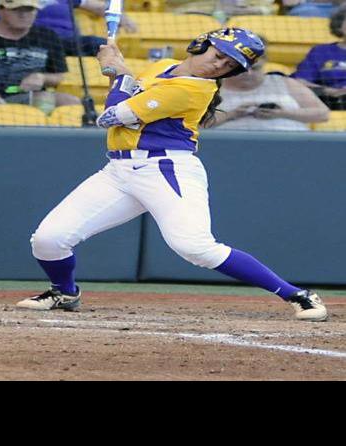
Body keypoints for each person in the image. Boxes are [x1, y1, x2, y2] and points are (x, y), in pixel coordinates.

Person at [16, 28, 328, 321]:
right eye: (218, 55)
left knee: (195, 247)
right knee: (48, 240)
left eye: (229, 65)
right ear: (201, 45)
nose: (218, 66)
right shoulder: (163, 66)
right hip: (119, 170)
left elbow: (112, 117)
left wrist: (114, 71)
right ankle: (64, 293)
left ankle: (298, 295)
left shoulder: (192, 89)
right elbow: (130, 91)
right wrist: (120, 70)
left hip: (165, 169)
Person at [207, 49, 330, 130]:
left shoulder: (285, 82)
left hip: (290, 144)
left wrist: (282, 113)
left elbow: (322, 114)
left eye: (256, 68)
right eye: (242, 70)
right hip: (228, 146)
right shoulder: (211, 87)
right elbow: (197, 125)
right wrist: (232, 114)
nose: (249, 74)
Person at [34, 0, 137, 57]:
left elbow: (95, 6)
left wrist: (119, 16)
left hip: (68, 41)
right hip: (39, 40)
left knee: (104, 46)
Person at [292, 7, 346, 111]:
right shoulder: (321, 51)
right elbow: (300, 81)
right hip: (328, 102)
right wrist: (328, 91)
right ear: (339, 25)